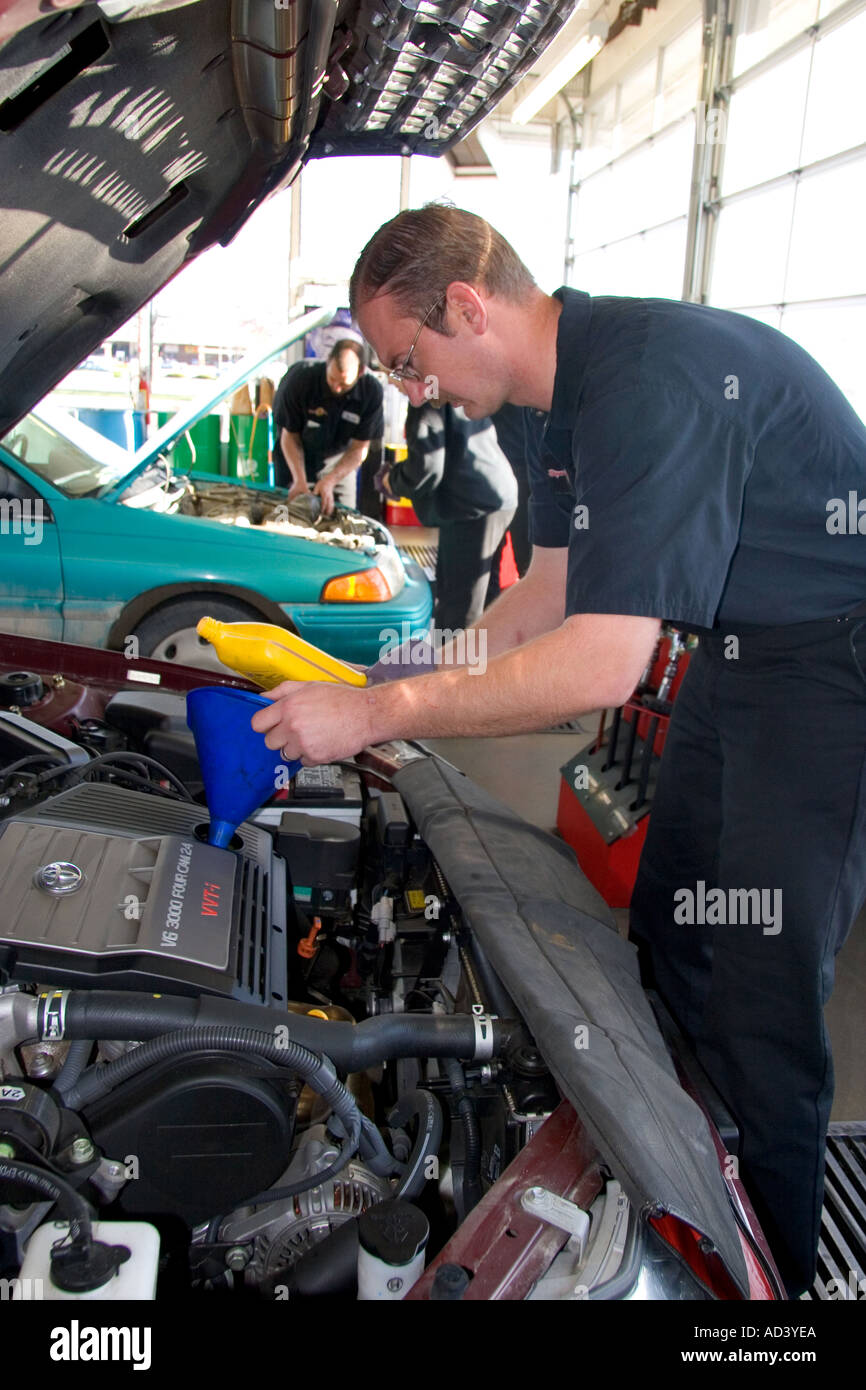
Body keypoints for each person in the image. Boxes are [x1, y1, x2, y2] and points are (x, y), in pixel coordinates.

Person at [253, 204, 866, 1297]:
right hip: (741, 650)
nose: (407, 389)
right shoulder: (541, 407)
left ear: (467, 305)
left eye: (407, 358)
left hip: (837, 661)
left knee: (763, 990)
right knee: (674, 920)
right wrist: (396, 672)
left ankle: (768, 1291)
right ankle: (675, 1175)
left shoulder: (649, 381)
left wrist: (377, 720)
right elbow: (547, 595)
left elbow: (597, 668)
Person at [381, 399, 517, 630]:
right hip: (494, 495)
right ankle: (483, 662)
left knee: (459, 609)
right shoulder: (452, 384)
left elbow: (426, 467)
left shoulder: (425, 397)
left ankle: (453, 665)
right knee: (484, 600)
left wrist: (393, 480)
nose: (399, 386)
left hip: (472, 506)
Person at [271, 339, 384, 514]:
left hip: (339, 462)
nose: (337, 388)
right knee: (289, 517)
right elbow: (289, 435)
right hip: (293, 459)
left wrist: (331, 480)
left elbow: (360, 448)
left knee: (344, 520)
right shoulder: (300, 378)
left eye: (344, 384)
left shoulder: (371, 391)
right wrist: (299, 480)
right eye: (332, 379)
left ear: (360, 372)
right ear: (328, 361)